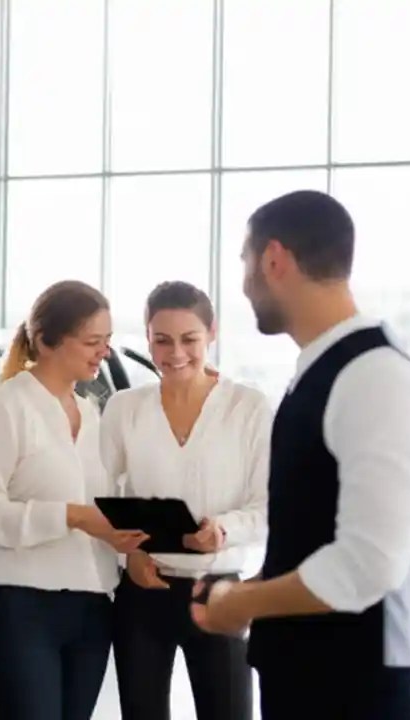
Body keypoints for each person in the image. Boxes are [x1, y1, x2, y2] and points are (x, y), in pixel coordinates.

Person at [190, 190, 410, 720]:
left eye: (245, 263)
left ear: (274, 259)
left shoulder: (373, 377)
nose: (244, 284)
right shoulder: (324, 371)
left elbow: (368, 564)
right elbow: (318, 539)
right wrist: (251, 587)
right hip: (309, 681)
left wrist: (243, 604)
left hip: (353, 691)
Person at [0, 279, 149, 720]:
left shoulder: (92, 413)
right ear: (45, 341)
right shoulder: (4, 409)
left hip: (92, 606)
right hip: (17, 604)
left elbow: (108, 503)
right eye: (92, 341)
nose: (104, 352)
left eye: (107, 341)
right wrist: (74, 517)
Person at [101, 281, 271, 720]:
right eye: (162, 340)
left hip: (219, 590)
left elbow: (268, 507)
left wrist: (224, 530)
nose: (175, 353)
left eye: (189, 339)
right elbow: (100, 496)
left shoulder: (248, 408)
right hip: (142, 591)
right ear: (147, 338)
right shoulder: (124, 408)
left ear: (211, 333)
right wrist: (130, 556)